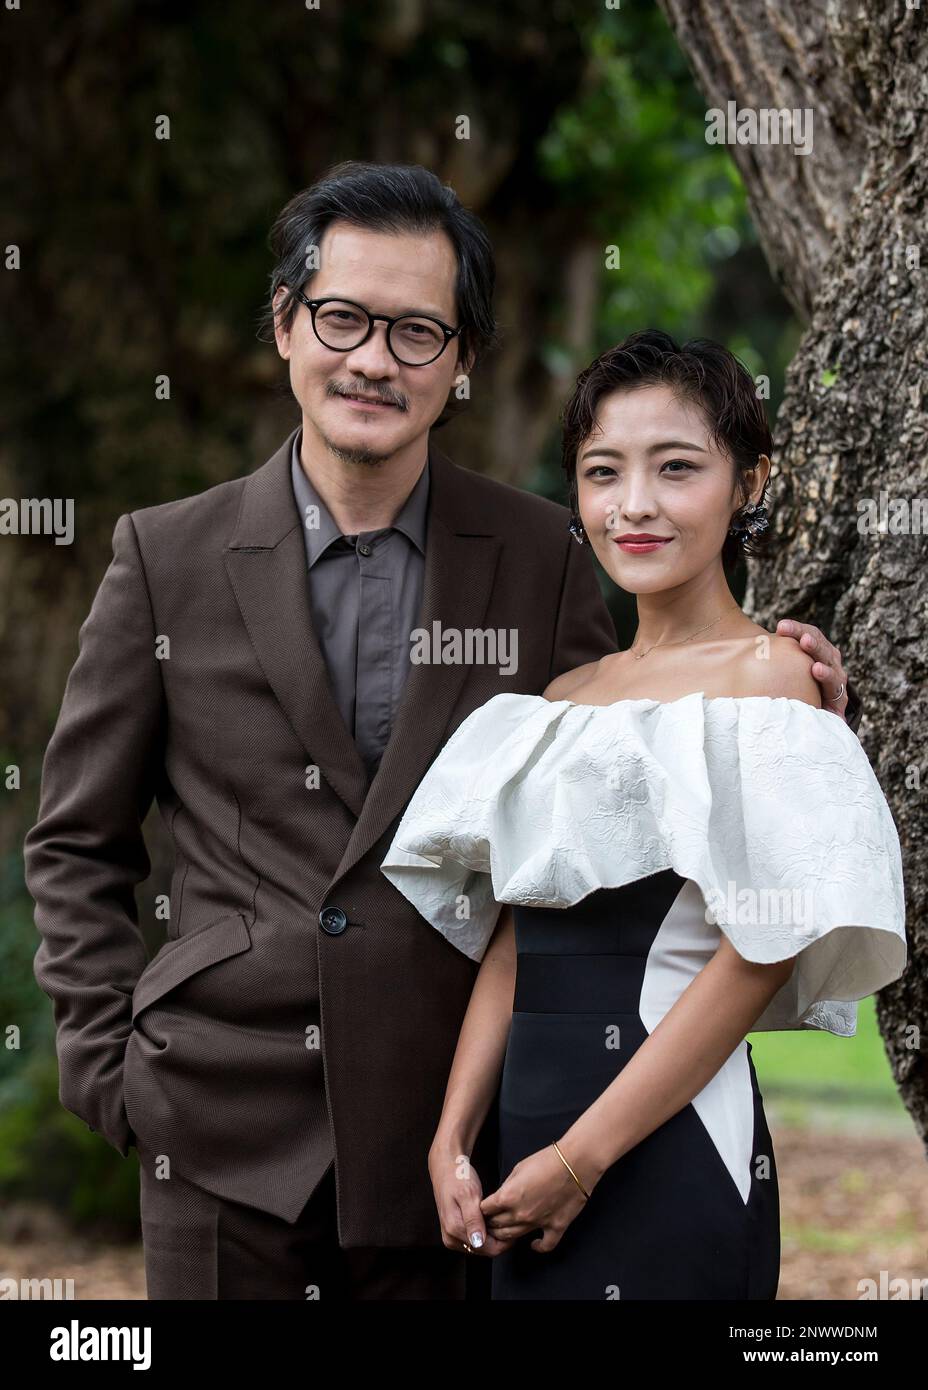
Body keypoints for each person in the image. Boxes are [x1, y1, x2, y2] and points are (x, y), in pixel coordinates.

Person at [24, 161, 860, 1302]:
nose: (374, 358)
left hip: (457, 1149)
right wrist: (108, 1076)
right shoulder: (162, 557)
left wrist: (782, 675)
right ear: (283, 324)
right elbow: (77, 842)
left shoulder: (538, 553)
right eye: (341, 318)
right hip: (215, 1133)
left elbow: (616, 779)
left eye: (418, 331)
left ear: (462, 361)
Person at [380, 329, 907, 1300]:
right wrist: (453, 1138)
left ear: (748, 484)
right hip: (517, 1150)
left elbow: (761, 950)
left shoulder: (773, 679)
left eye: (676, 469)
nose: (634, 505)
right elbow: (512, 942)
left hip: (665, 1148)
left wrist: (581, 1160)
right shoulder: (561, 698)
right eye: (601, 472)